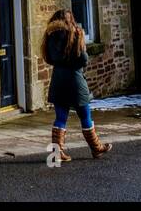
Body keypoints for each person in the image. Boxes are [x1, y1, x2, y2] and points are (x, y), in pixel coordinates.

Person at [41, 9, 111, 161]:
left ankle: (57, 154)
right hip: (75, 80)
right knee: (85, 114)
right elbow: (84, 59)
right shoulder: (75, 33)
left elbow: (49, 58)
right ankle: (96, 148)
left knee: (60, 117)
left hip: (58, 80)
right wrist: (74, 63)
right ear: (70, 19)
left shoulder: (50, 35)